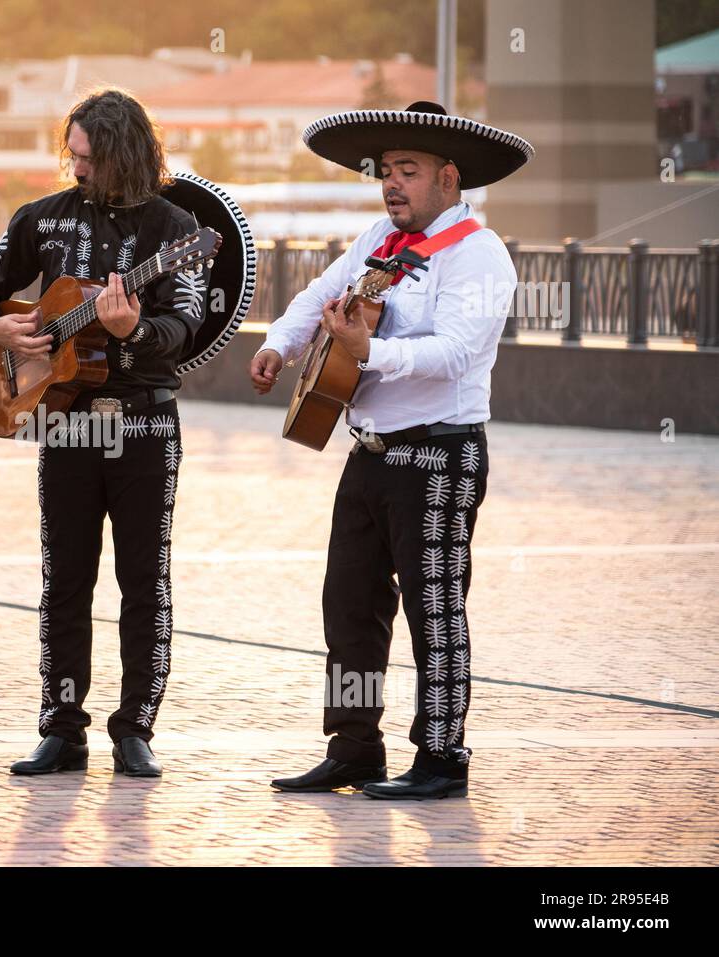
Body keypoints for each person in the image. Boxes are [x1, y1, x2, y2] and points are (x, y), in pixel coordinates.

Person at [251, 102, 532, 799]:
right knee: (348, 604)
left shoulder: (480, 253)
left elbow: (458, 351)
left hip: (440, 454)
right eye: (387, 172)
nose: (392, 184)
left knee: (433, 608)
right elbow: (321, 292)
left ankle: (441, 758)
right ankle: (354, 746)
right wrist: (279, 344)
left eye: (408, 171)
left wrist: (370, 351)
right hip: (370, 449)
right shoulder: (379, 239)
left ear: (448, 177)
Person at [0, 90, 209, 777]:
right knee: (63, 579)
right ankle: (62, 729)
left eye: (88, 159)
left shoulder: (177, 231)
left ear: (125, 155)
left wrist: (134, 329)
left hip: (145, 425)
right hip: (63, 425)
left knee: (143, 581)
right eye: (70, 156)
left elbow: (180, 333)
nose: (76, 170)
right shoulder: (41, 219)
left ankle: (135, 729)